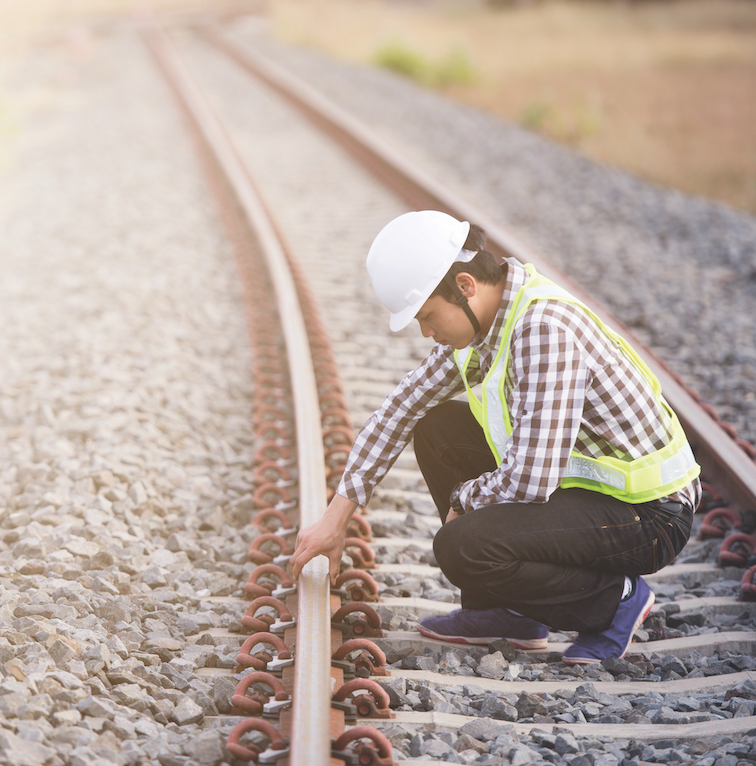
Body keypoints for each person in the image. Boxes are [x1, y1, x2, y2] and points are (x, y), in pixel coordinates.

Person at [288, 210, 700, 665]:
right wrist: (337, 515)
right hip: (587, 494)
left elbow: (530, 481)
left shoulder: (543, 330)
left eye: (428, 316)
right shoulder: (486, 322)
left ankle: (616, 601)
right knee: (437, 427)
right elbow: (401, 408)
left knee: (461, 544)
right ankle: (504, 612)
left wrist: (464, 500)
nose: (427, 332)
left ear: (465, 286)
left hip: (648, 516)